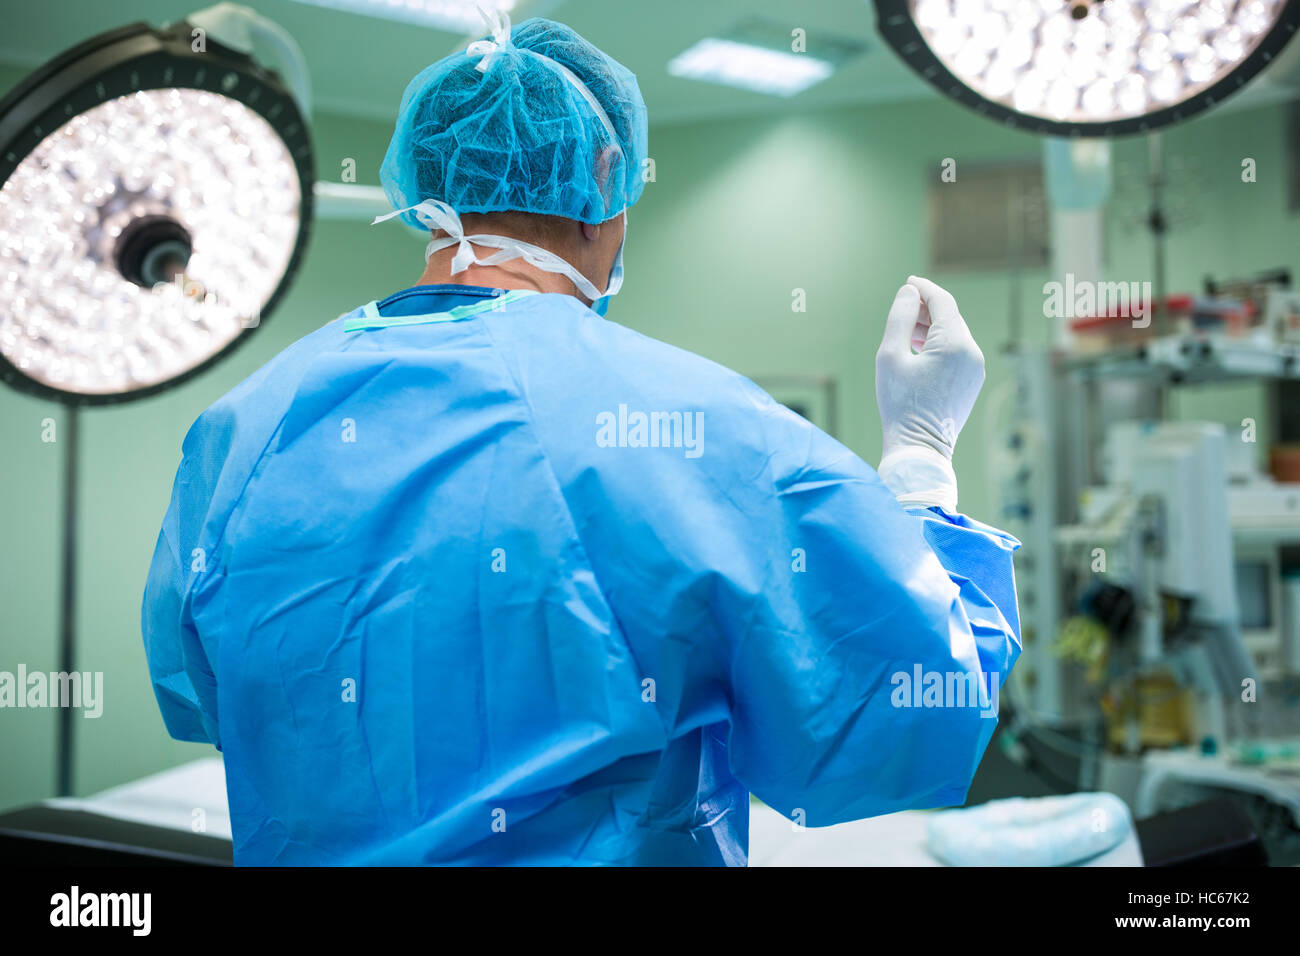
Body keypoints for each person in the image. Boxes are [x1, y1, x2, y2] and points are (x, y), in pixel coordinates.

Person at [141, 13, 1020, 866]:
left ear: (421, 184)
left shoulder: (243, 430)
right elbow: (907, 718)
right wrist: (919, 458)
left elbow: (205, 698)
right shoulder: (695, 426)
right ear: (605, 178)